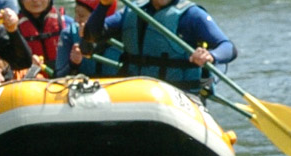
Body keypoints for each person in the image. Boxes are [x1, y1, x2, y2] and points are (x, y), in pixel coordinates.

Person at [82, 0, 232, 95]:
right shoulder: (133, 10)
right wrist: (104, 4)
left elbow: (228, 47)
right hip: (133, 92)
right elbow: (91, 35)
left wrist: (211, 55)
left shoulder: (192, 15)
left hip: (179, 94)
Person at [16, 0, 81, 76]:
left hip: (64, 78)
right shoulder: (13, 29)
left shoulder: (68, 24)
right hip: (31, 80)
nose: (35, 1)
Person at [72, 0, 124, 77]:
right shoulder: (72, 34)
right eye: (75, 14)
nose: (76, 20)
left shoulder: (122, 24)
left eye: (81, 15)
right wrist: (73, 64)